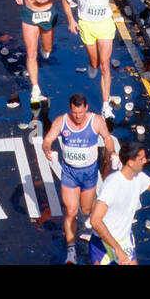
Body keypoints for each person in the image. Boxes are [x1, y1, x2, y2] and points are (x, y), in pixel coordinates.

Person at [43, 94, 116, 264]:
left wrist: (111, 152)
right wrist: (46, 150)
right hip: (70, 173)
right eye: (75, 113)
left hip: (89, 174)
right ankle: (71, 251)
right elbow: (47, 140)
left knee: (86, 209)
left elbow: (107, 138)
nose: (78, 117)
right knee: (70, 211)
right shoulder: (62, 121)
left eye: (81, 113)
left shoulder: (96, 121)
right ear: (70, 109)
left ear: (86, 108)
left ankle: (102, 230)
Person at [63, 0, 128, 119]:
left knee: (105, 66)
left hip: (105, 24)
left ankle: (105, 106)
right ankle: (92, 65)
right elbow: (66, 1)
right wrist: (71, 21)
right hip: (86, 25)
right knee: (95, 62)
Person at [9, 0, 69, 103]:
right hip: (29, 14)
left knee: (47, 48)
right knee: (30, 52)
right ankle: (35, 88)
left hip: (47, 12)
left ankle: (45, 47)